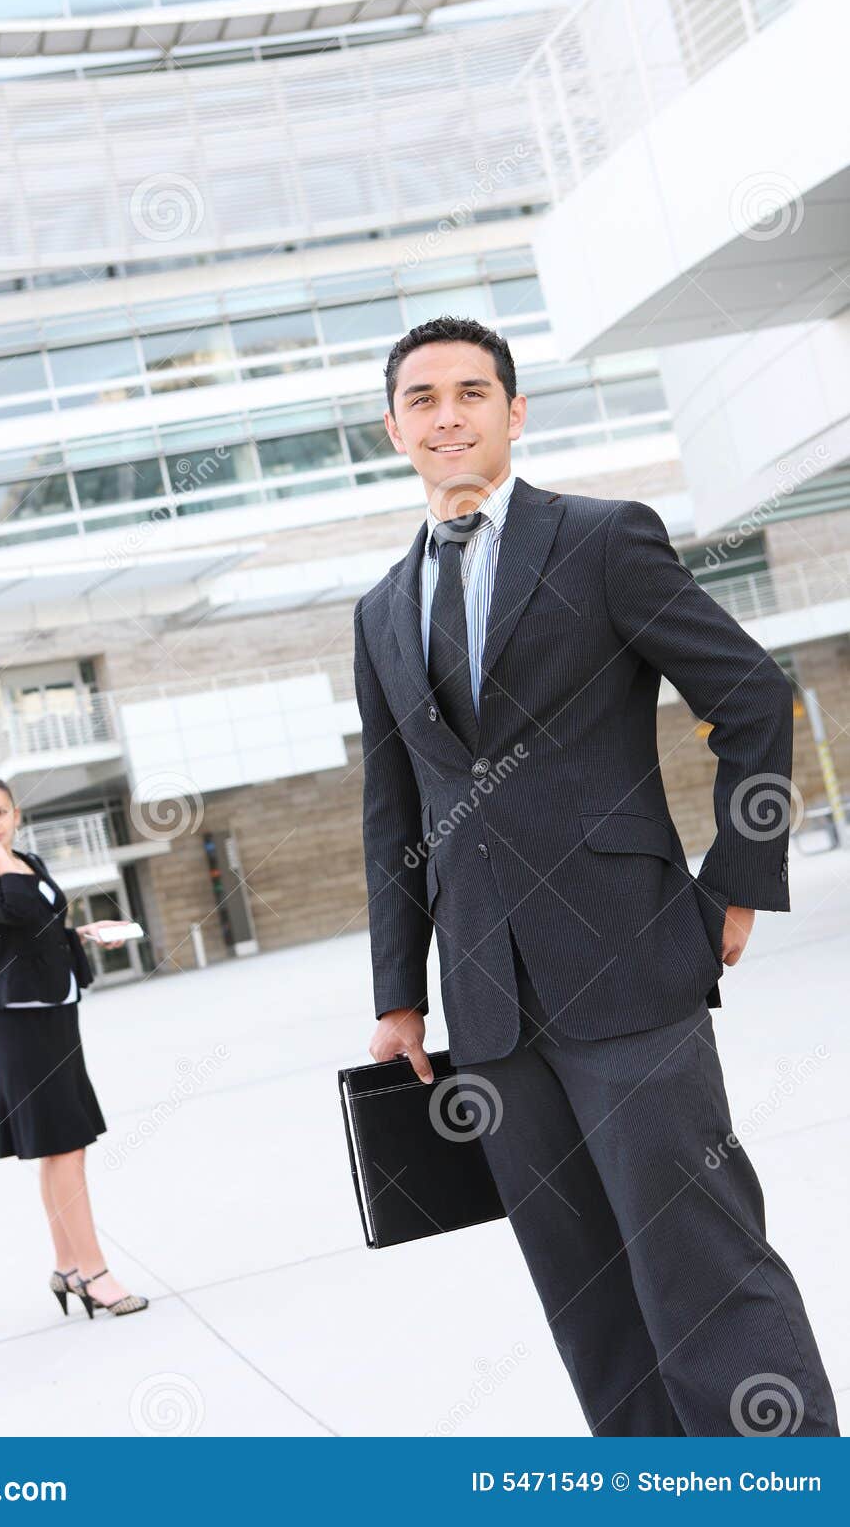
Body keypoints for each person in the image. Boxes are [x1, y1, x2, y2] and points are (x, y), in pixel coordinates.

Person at [353, 314, 839, 1437]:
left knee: (699, 1268)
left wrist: (732, 883)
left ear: (512, 414)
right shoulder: (380, 611)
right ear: (394, 430)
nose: (447, 415)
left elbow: (750, 698)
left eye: (471, 393)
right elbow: (393, 814)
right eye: (422, 399)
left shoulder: (602, 541)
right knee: (588, 1300)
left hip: (629, 967)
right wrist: (396, 996)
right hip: (486, 1009)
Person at [0, 775, 148, 1320]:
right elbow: (14, 912)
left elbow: (43, 923)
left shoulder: (30, 861)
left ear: (16, 814)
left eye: (0, 812)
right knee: (66, 1146)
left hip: (57, 1015)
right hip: (20, 1026)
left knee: (65, 1146)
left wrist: (82, 933)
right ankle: (96, 1274)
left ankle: (66, 1267)